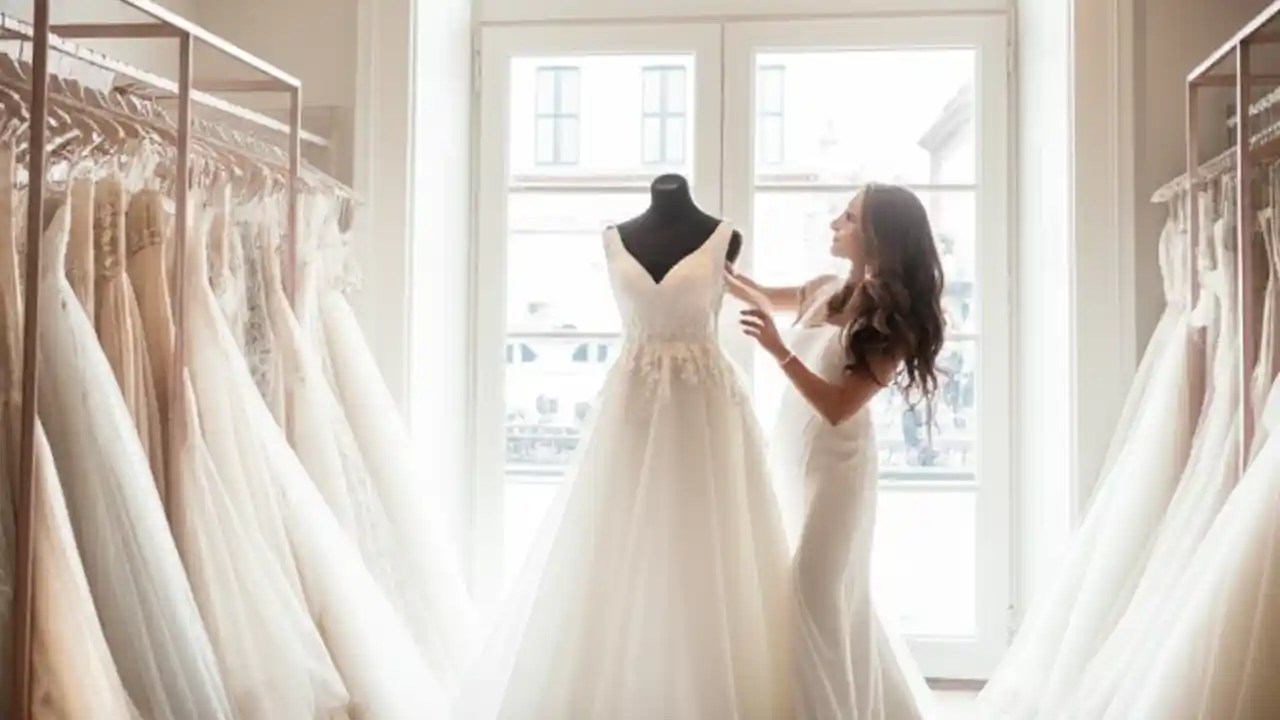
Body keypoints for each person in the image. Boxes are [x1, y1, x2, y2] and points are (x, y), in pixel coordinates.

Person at [727, 182, 944, 719]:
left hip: (837, 470)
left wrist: (779, 351)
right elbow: (752, 291)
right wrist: (708, 261)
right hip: (791, 457)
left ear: (875, 237)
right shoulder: (825, 289)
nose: (833, 225)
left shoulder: (896, 322)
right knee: (818, 599)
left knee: (815, 595)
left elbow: (838, 405)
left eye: (846, 219)